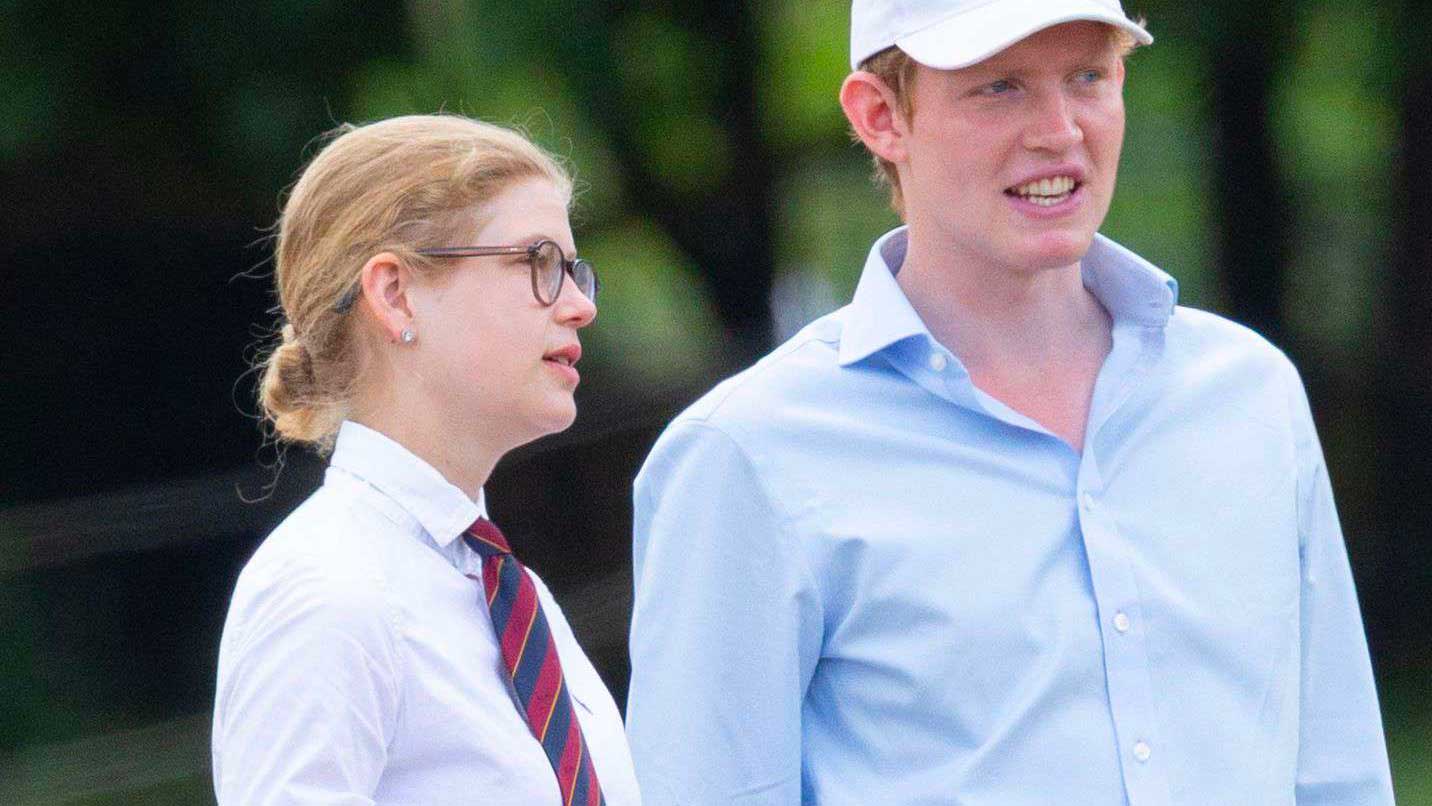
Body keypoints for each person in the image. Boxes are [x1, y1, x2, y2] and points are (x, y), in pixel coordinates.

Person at [625, 2, 1394, 804]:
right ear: (881, 117)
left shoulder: (1250, 394)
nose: (1059, 130)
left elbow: (1338, 775)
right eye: (999, 87)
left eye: (1087, 77)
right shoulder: (748, 454)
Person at [212, 114, 639, 805]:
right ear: (395, 293)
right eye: (537, 264)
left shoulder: (511, 595)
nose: (578, 306)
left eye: (573, 270)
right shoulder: (327, 591)